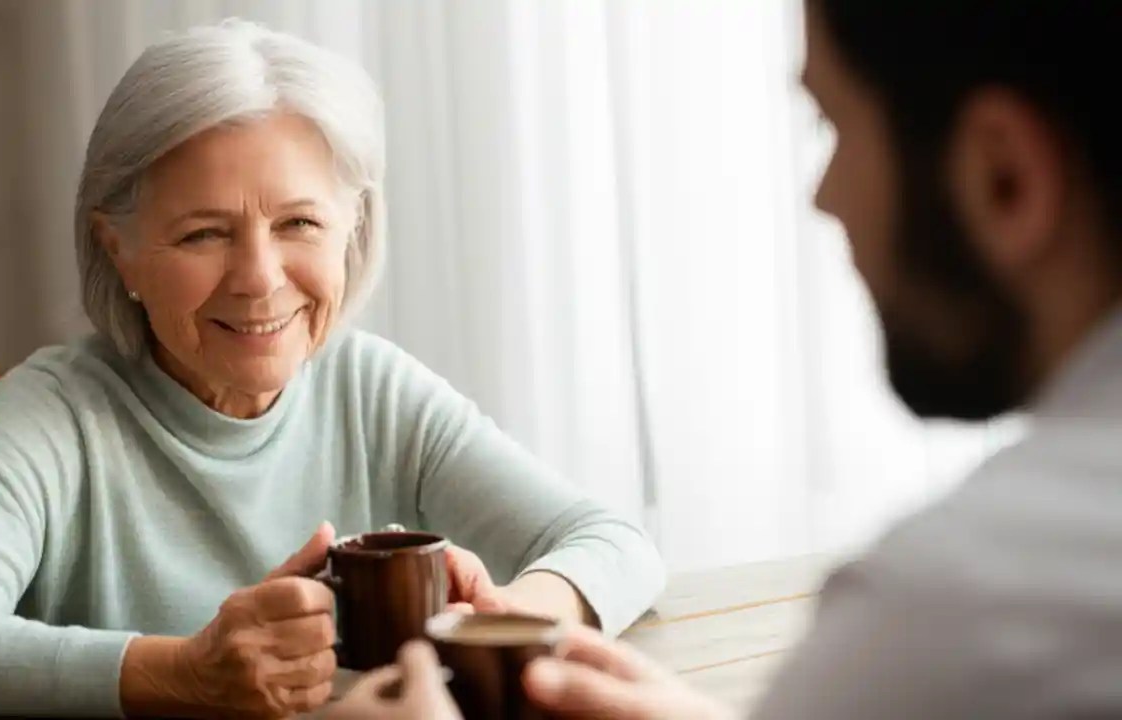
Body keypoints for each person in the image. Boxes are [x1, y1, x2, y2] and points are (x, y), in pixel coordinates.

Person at [0, 20, 665, 719]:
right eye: (203, 233)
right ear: (116, 247)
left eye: (299, 222)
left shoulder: (368, 385)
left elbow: (614, 544)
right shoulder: (57, 417)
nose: (259, 278)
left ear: (351, 228)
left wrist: (500, 620)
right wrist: (182, 673)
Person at [329, 0, 1122, 717]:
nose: (825, 196)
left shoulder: (958, 611)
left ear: (1004, 178)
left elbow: (612, 541)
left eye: (835, 127)